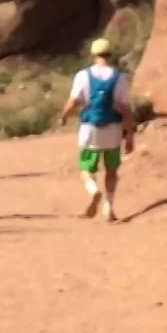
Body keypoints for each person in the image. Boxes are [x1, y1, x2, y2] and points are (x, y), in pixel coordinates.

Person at [59, 37, 136, 222]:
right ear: (110, 55)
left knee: (86, 169)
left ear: (93, 55)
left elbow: (74, 102)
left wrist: (64, 116)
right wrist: (129, 136)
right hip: (113, 130)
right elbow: (126, 109)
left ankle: (94, 190)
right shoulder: (118, 78)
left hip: (90, 129)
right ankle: (109, 207)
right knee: (111, 170)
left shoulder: (83, 76)